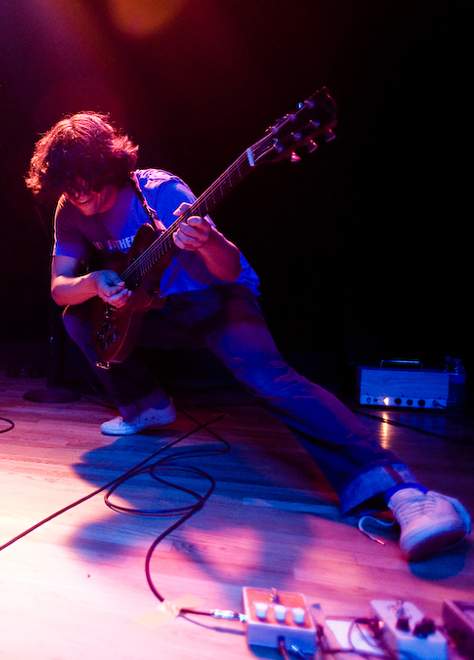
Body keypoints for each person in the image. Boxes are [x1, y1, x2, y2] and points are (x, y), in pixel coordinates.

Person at [25, 111, 470, 561]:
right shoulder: (70, 211)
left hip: (214, 299)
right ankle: (147, 407)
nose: (80, 195)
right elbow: (60, 288)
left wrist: (208, 242)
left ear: (110, 168)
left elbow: (229, 267)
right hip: (153, 309)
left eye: (88, 183)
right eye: (69, 187)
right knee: (76, 319)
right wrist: (95, 282)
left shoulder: (157, 190)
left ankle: (407, 494)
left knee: (270, 380)